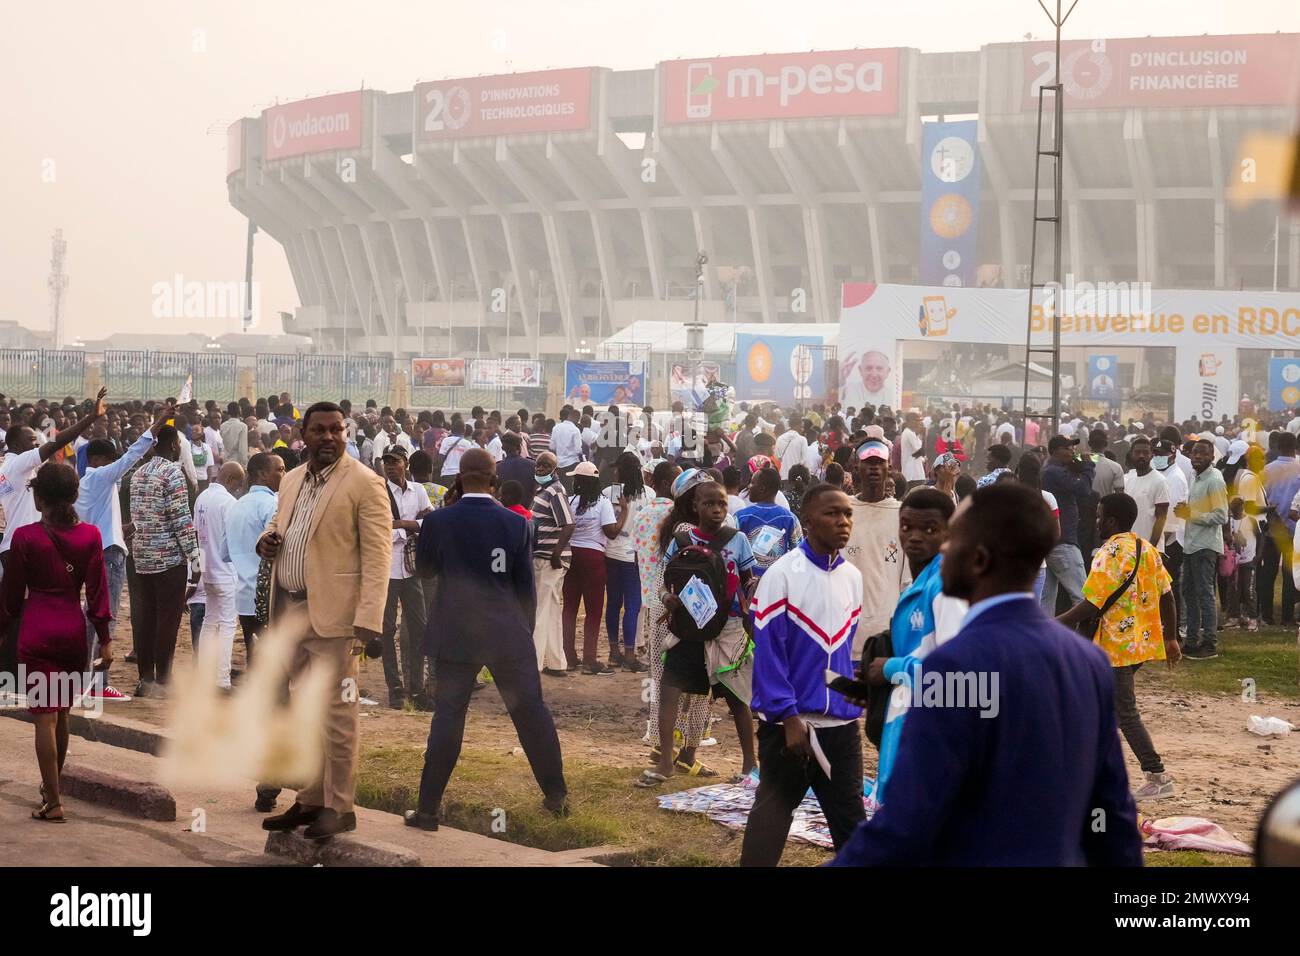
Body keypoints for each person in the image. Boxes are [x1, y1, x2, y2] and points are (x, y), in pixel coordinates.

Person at [831, 482, 1142, 866]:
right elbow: (1111, 816)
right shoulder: (1087, 661)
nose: (942, 550)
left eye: (952, 540)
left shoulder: (956, 664)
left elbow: (908, 822)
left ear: (977, 559)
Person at [404, 449, 569, 831]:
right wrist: (523, 631)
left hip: (456, 630)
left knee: (449, 715)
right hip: (506, 630)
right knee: (530, 711)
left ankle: (428, 810)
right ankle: (556, 794)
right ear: (494, 479)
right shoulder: (516, 523)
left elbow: (426, 570)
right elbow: (524, 585)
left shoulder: (439, 521)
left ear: (459, 479)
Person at [258, 402, 390, 839]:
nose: (329, 437)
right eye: (319, 430)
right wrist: (267, 540)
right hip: (292, 611)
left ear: (346, 433)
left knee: (338, 714)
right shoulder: (292, 478)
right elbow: (281, 523)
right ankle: (312, 800)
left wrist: (369, 619)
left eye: (337, 430)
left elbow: (377, 556)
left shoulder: (365, 483)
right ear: (303, 434)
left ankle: (341, 808)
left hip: (337, 619)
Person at [740, 484, 865, 865]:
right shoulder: (782, 575)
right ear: (808, 522)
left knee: (852, 826)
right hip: (790, 728)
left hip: (840, 728)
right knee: (771, 821)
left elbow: (845, 652)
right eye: (832, 514)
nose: (843, 522)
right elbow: (770, 654)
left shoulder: (853, 578)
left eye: (847, 514)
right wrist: (788, 716)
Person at [1, 462, 112, 823]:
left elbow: (12, 597)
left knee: (43, 719)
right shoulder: (91, 536)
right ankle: (53, 790)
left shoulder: (25, 537)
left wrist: (3, 628)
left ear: (39, 496)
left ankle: (53, 799)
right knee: (62, 712)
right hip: (72, 630)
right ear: (74, 495)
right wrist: (106, 640)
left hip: (38, 628)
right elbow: (97, 593)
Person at [637, 470, 757, 787]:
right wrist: (669, 599)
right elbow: (664, 579)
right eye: (709, 504)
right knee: (670, 690)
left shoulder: (739, 540)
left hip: (727, 629)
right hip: (688, 627)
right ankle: (665, 762)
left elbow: (749, 581)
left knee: (736, 699)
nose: (717, 509)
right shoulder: (681, 540)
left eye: (722, 504)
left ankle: (750, 766)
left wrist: (751, 609)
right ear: (696, 507)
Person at [1059, 492, 1180, 801]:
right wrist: (1171, 637)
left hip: (1114, 647)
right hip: (1139, 643)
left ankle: (1158, 776)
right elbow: (1167, 594)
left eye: (1100, 516)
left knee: (1125, 713)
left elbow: (1092, 602)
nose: (1097, 521)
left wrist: (1056, 622)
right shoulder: (1146, 548)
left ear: (1111, 520)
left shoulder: (1110, 552)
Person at [860, 487, 967, 812]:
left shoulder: (948, 588)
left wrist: (891, 668)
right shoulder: (924, 581)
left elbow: (958, 675)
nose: (915, 537)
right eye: (907, 527)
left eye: (929, 529)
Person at [0, 389, 108, 680]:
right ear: (17, 444)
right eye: (33, 441)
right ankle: (17, 679)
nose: (39, 444)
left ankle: (16, 677)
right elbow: (57, 443)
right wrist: (89, 418)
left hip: (16, 545)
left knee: (21, 611)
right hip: (23, 546)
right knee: (23, 613)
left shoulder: (7, 467)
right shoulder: (19, 463)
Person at [75, 401, 172, 701]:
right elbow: (133, 454)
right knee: (106, 617)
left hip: (95, 550)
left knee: (93, 616)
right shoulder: (101, 476)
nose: (117, 465)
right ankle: (97, 683)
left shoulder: (85, 484)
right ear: (101, 459)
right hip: (109, 555)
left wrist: (121, 527)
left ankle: (85, 679)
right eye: (112, 460)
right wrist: (159, 422)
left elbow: (90, 519)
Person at [129, 424, 201, 699]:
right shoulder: (172, 472)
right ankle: (163, 681)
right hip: (169, 558)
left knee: (145, 618)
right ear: (173, 446)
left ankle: (145, 678)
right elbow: (181, 520)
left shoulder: (138, 473)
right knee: (167, 620)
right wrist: (195, 561)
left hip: (142, 557)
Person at [844, 439, 909, 664]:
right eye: (868, 462)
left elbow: (907, 582)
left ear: (889, 467)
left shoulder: (902, 515)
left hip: (886, 633)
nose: (874, 467)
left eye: (879, 462)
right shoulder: (842, 511)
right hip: (845, 632)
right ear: (856, 467)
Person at [379, 445, 432, 709]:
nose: (390, 466)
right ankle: (395, 689)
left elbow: (430, 522)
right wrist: (408, 528)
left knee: (419, 627)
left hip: (410, 569)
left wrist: (401, 525)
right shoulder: (378, 491)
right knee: (387, 630)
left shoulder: (418, 491)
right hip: (386, 570)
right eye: (387, 462)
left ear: (405, 464)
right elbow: (377, 530)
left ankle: (417, 687)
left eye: (395, 461)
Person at [562, 461, 626, 674]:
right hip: (593, 558)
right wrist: (624, 512)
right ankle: (590, 661)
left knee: (569, 608)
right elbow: (612, 532)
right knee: (594, 610)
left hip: (572, 555)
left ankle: (569, 658)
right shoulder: (602, 502)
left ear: (578, 481)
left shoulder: (570, 501)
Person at [228, 453, 284, 681]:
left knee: (254, 654)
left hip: (243, 593)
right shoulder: (270, 504)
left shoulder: (236, 506)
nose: (284, 474)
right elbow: (276, 545)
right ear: (262, 474)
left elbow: (225, 552)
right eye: (279, 469)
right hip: (265, 594)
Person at [193, 461, 245, 691]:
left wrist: (197, 572)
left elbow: (196, 535)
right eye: (238, 485)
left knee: (209, 622)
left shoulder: (201, 497)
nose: (238, 490)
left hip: (206, 570)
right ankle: (222, 680)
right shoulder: (229, 502)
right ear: (232, 480)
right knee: (226, 626)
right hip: (225, 572)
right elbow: (234, 541)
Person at [1178, 438, 1229, 659]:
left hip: (1205, 545)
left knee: (1205, 594)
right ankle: (1191, 641)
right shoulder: (1195, 477)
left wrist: (1193, 515)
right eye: (1194, 453)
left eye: (1202, 453)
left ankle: (1209, 642)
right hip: (1191, 544)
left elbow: (1221, 515)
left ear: (1212, 457)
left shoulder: (1214, 480)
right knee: (1188, 592)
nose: (1197, 456)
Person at [602, 452, 649, 673]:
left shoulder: (608, 493)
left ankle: (613, 652)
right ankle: (630, 654)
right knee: (632, 606)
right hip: (634, 557)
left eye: (617, 468)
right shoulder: (648, 494)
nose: (614, 471)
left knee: (613, 603)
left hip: (611, 554)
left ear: (622, 470)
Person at [530, 452, 575, 676]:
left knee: (539, 610)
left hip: (550, 559)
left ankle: (534, 664)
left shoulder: (555, 491)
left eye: (546, 465)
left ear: (554, 469)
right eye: (538, 465)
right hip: (545, 558)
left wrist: (557, 553)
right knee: (551, 610)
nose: (540, 469)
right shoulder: (543, 491)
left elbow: (568, 524)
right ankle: (557, 663)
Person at [1039, 434, 1094, 614]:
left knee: (1046, 601)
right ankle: (1081, 639)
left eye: (1073, 447)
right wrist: (1087, 466)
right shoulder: (1054, 471)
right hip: (1064, 544)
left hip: (1052, 544)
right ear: (1055, 451)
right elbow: (1083, 489)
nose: (1072, 451)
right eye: (1068, 447)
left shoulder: (1050, 470)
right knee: (1084, 598)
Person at [1259, 430, 1300, 627]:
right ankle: (1287, 615)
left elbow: (1261, 498)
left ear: (1277, 447)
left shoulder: (1267, 470)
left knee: (1269, 572)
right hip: (1294, 528)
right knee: (1290, 573)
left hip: (1272, 527)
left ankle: (1266, 615)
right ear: (1294, 448)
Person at [734, 466, 802, 577]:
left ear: (762, 488)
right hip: (777, 583)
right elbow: (799, 554)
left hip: (746, 583)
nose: (749, 487)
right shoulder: (790, 518)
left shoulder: (741, 517)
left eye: (752, 483)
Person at [221, 402, 249, 468]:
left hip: (225, 461)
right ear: (240, 412)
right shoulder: (243, 426)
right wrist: (244, 465)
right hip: (237, 463)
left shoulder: (222, 425)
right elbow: (242, 449)